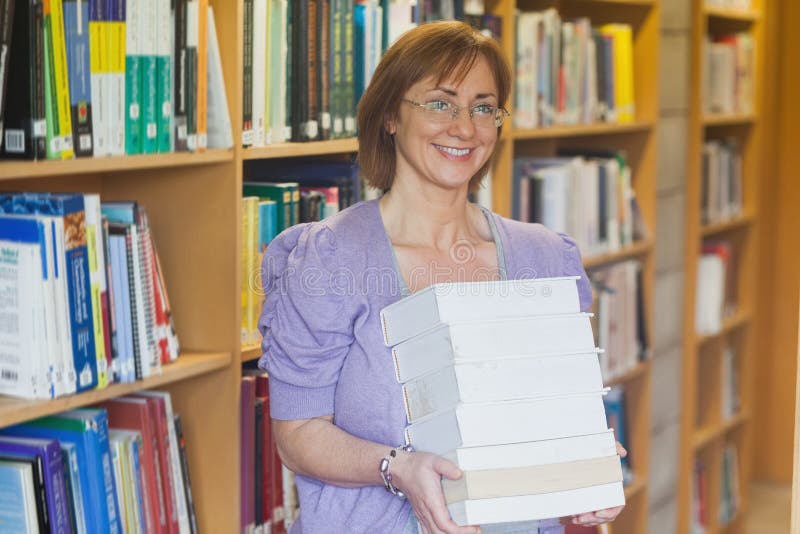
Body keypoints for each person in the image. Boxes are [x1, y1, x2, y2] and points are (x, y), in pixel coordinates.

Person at [258, 20, 625, 534]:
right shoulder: (330, 260)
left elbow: (552, 415)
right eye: (440, 103)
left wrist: (584, 465)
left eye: (483, 107)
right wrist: (397, 468)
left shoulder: (545, 258)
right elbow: (297, 435)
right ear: (390, 115)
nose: (465, 127)